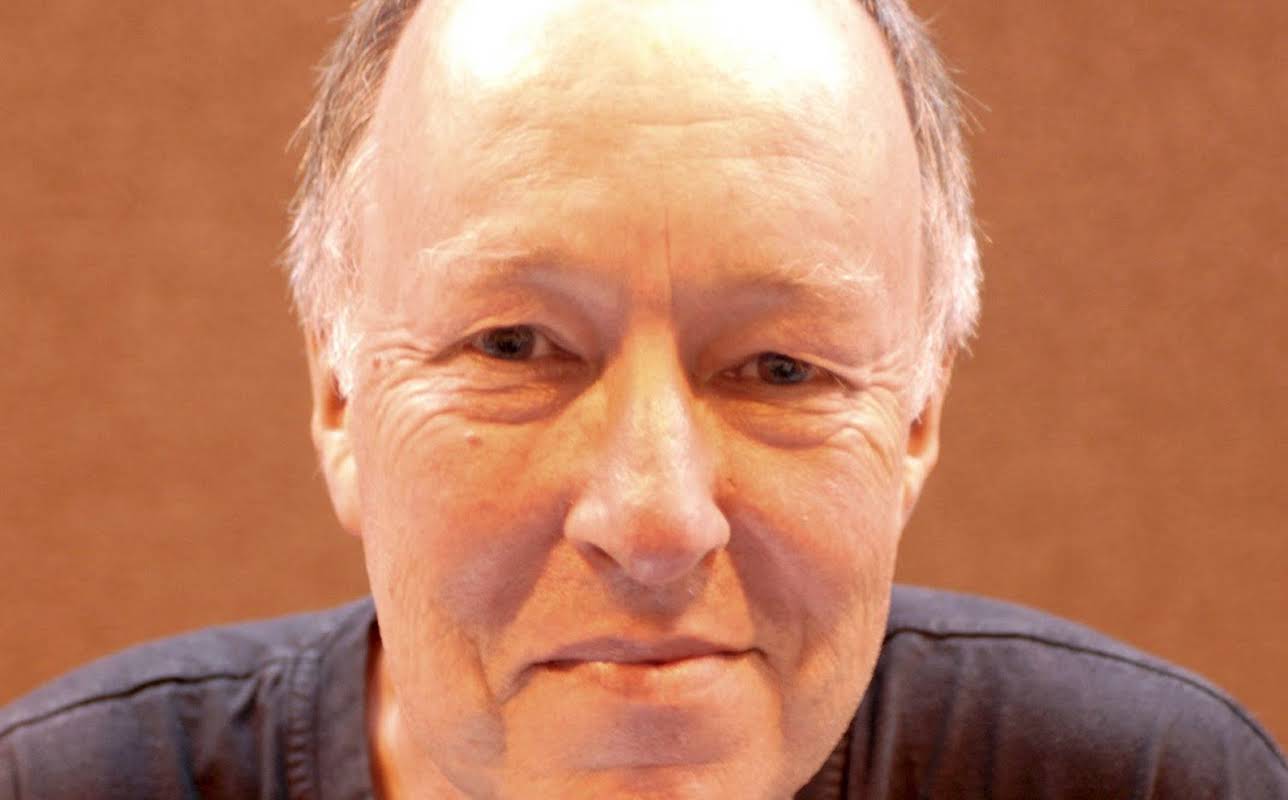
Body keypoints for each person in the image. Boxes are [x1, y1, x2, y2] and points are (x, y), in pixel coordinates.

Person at [1, 0, 1285, 797]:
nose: (656, 518)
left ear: (914, 422)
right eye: (515, 345)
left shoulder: (1142, 780)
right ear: (342, 398)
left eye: (781, 368)